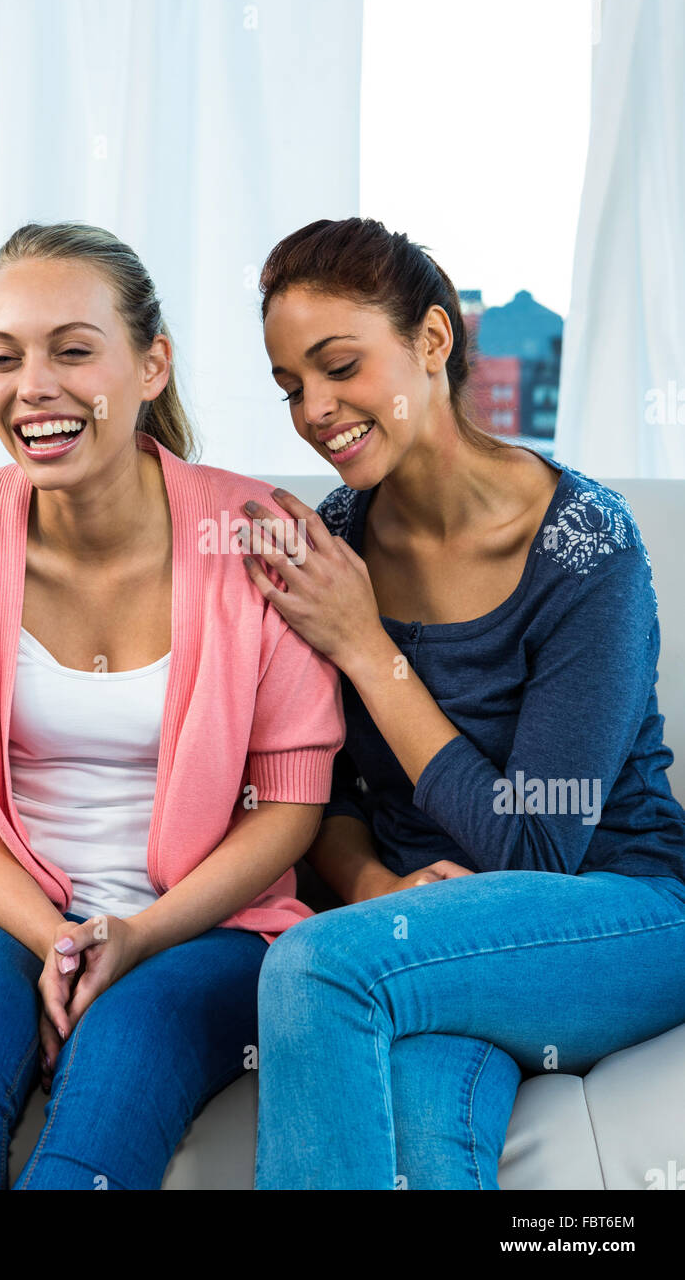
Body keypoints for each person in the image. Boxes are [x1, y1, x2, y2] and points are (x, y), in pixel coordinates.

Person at [0, 221, 344, 1190]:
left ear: (151, 365)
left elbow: (288, 806)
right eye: (2, 356)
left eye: (72, 349)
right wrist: (51, 939)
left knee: (106, 1115)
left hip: (204, 928)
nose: (34, 385)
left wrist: (137, 934)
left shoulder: (257, 536)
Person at [241, 216, 685, 1190]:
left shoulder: (584, 549)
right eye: (289, 386)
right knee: (421, 1146)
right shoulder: (336, 538)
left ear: (431, 341)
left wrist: (367, 647)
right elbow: (321, 785)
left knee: (314, 969)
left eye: (339, 365)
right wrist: (368, 891)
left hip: (612, 911)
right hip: (424, 929)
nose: (314, 409)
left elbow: (531, 849)